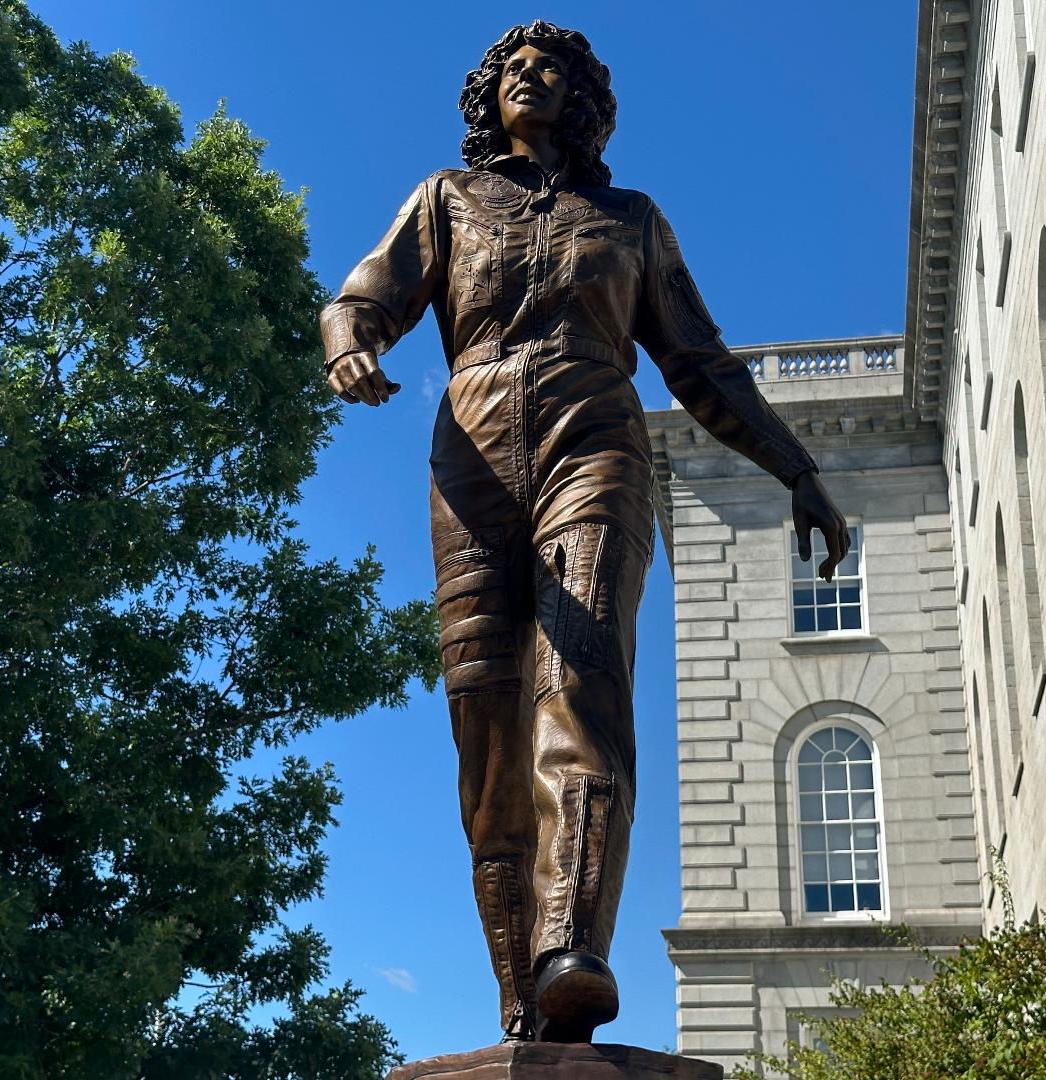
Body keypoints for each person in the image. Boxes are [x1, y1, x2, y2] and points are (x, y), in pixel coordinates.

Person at [319, 20, 850, 1044]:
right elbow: (363, 293)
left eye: (552, 68)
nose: (531, 76)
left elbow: (703, 363)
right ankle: (520, 988)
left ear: (582, 99)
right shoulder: (448, 199)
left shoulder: (631, 221)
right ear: (491, 96)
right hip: (471, 468)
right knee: (487, 729)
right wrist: (351, 342)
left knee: (582, 681)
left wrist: (800, 469)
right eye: (514, 67)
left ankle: (574, 948)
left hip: (594, 447)